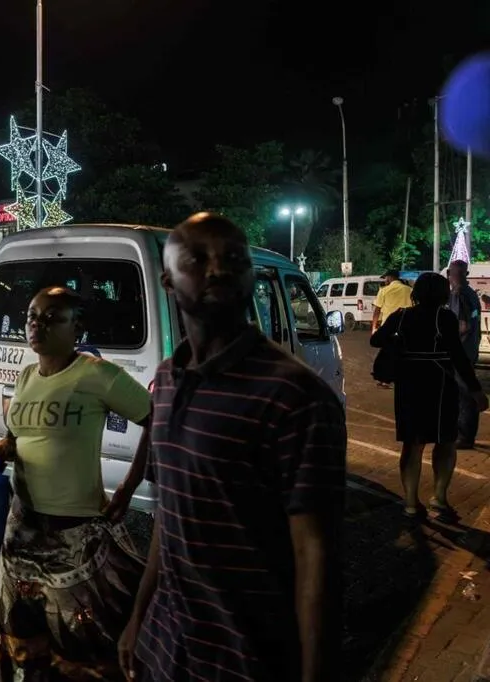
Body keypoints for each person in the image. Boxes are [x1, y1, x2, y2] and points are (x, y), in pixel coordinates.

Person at [119, 213, 346, 682]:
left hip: (248, 661)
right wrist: (138, 617)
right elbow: (170, 514)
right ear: (167, 279)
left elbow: (316, 558)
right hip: (169, 648)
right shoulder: (165, 381)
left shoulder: (294, 396)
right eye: (197, 258)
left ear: (250, 276)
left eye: (233, 259)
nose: (218, 269)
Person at [0, 285, 153, 680]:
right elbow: (20, 435)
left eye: (52, 317)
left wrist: (129, 485)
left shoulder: (98, 375)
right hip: (21, 532)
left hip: (73, 538)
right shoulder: (25, 377)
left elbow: (156, 418)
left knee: (80, 649)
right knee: (24, 640)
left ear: (78, 328)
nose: (37, 324)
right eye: (32, 316)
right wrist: (4, 446)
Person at [371, 272, 487, 519]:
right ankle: (439, 497)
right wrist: (476, 391)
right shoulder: (444, 317)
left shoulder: (401, 316)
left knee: (412, 444)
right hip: (439, 386)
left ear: (417, 293)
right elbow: (458, 357)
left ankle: (411, 503)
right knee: (444, 441)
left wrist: (398, 340)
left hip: (408, 386)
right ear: (442, 294)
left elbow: (375, 340)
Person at [448, 260, 482, 448]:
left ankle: (464, 436)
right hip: (470, 349)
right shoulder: (470, 293)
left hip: (461, 351)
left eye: (455, 274)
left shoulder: (458, 294)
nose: (455, 277)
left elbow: (463, 325)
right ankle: (465, 434)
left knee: (464, 394)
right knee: (465, 392)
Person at [371, 269, 412, 334]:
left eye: (385, 278)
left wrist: (373, 328)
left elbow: (377, 310)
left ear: (390, 277)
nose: (385, 280)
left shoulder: (383, 290)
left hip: (387, 326)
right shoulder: (410, 290)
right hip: (405, 326)